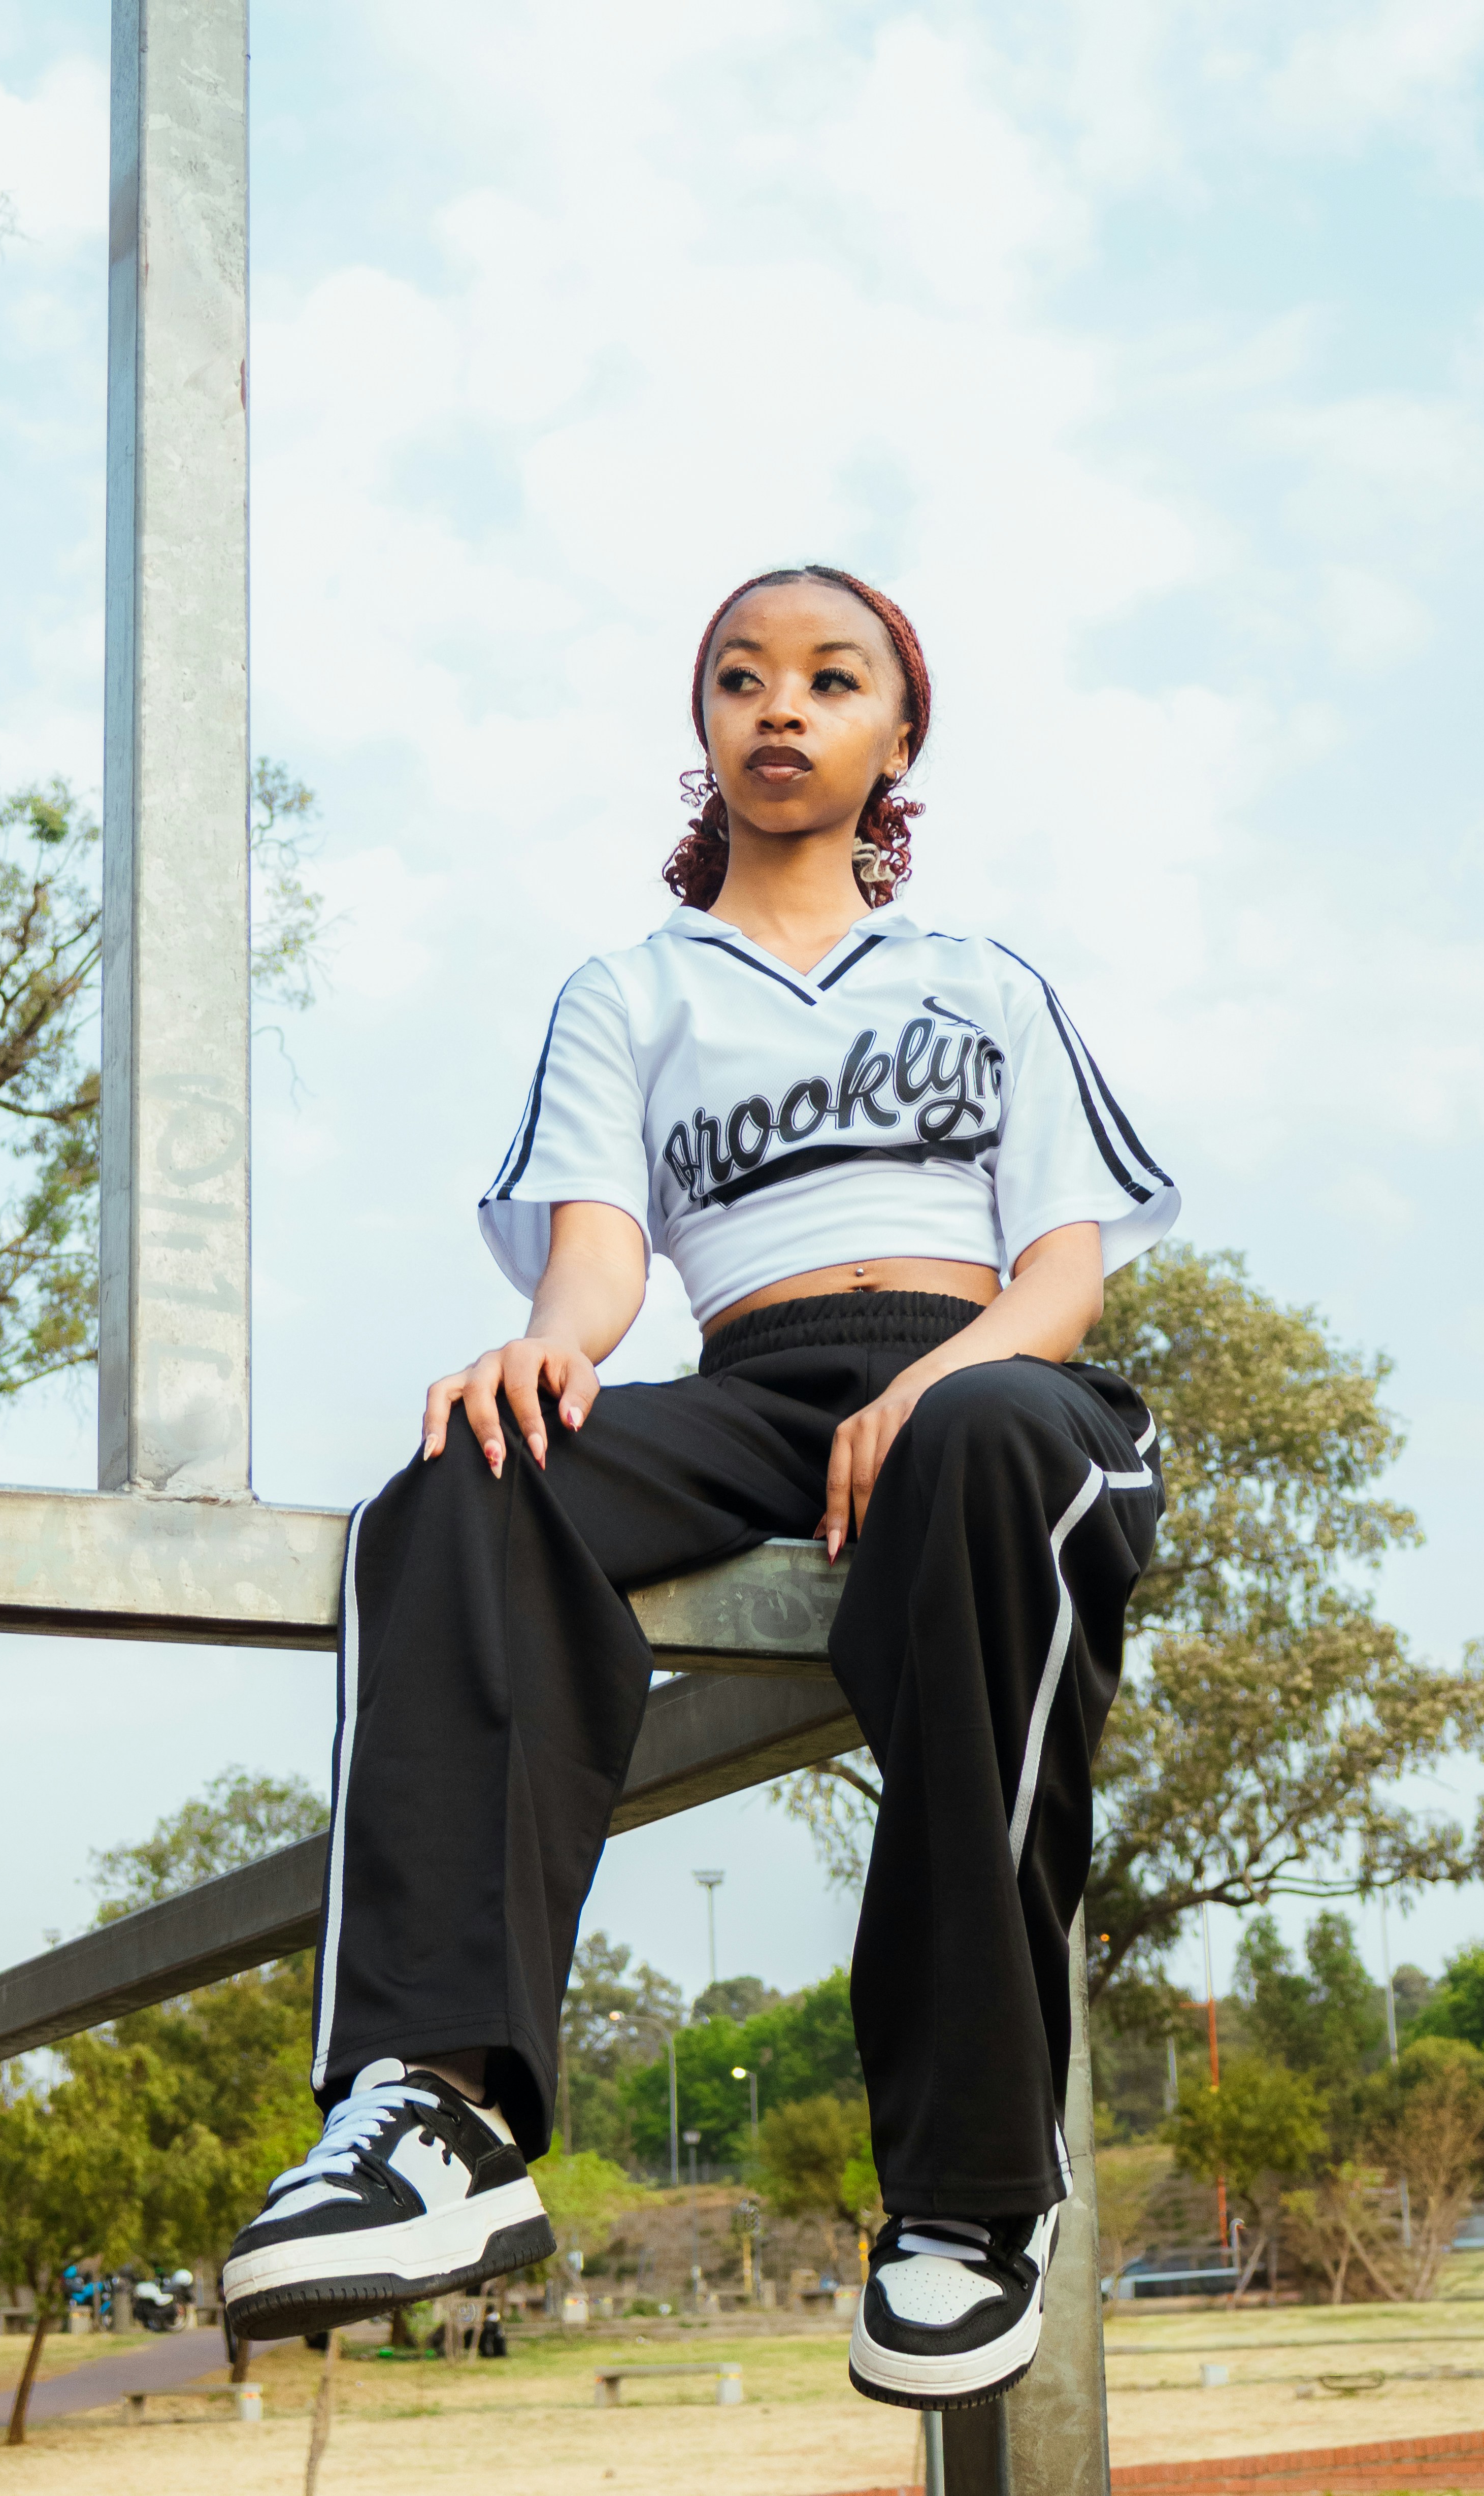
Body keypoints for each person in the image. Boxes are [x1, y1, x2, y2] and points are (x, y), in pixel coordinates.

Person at [221, 565, 1178, 2411]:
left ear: (902, 732)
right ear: (705, 730)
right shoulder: (635, 990)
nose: (780, 706)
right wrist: (551, 1351)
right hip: (749, 1384)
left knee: (985, 1448)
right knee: (462, 1475)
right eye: (741, 678)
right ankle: (435, 2111)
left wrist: (942, 1374)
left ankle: (974, 2194)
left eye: (831, 678)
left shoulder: (979, 981)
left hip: (984, 1375)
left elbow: (1065, 1266)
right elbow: (600, 1261)